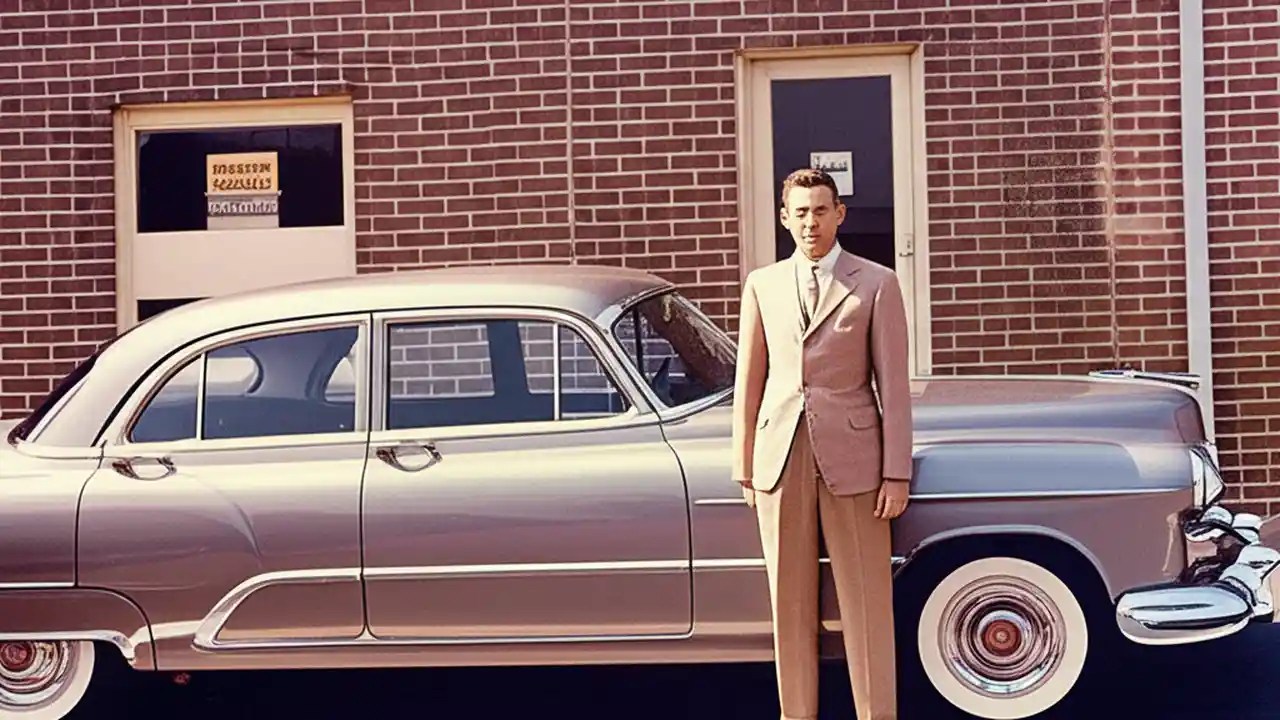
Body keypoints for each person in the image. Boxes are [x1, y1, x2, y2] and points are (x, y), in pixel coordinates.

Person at [731, 168, 913, 720]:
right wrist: (745, 466)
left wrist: (896, 471)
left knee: (865, 603)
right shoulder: (762, 285)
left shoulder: (876, 282)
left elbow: (893, 384)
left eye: (821, 210)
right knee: (789, 605)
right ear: (786, 219)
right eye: (800, 212)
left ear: (840, 214)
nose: (811, 222)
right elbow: (750, 380)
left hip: (856, 461)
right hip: (780, 460)